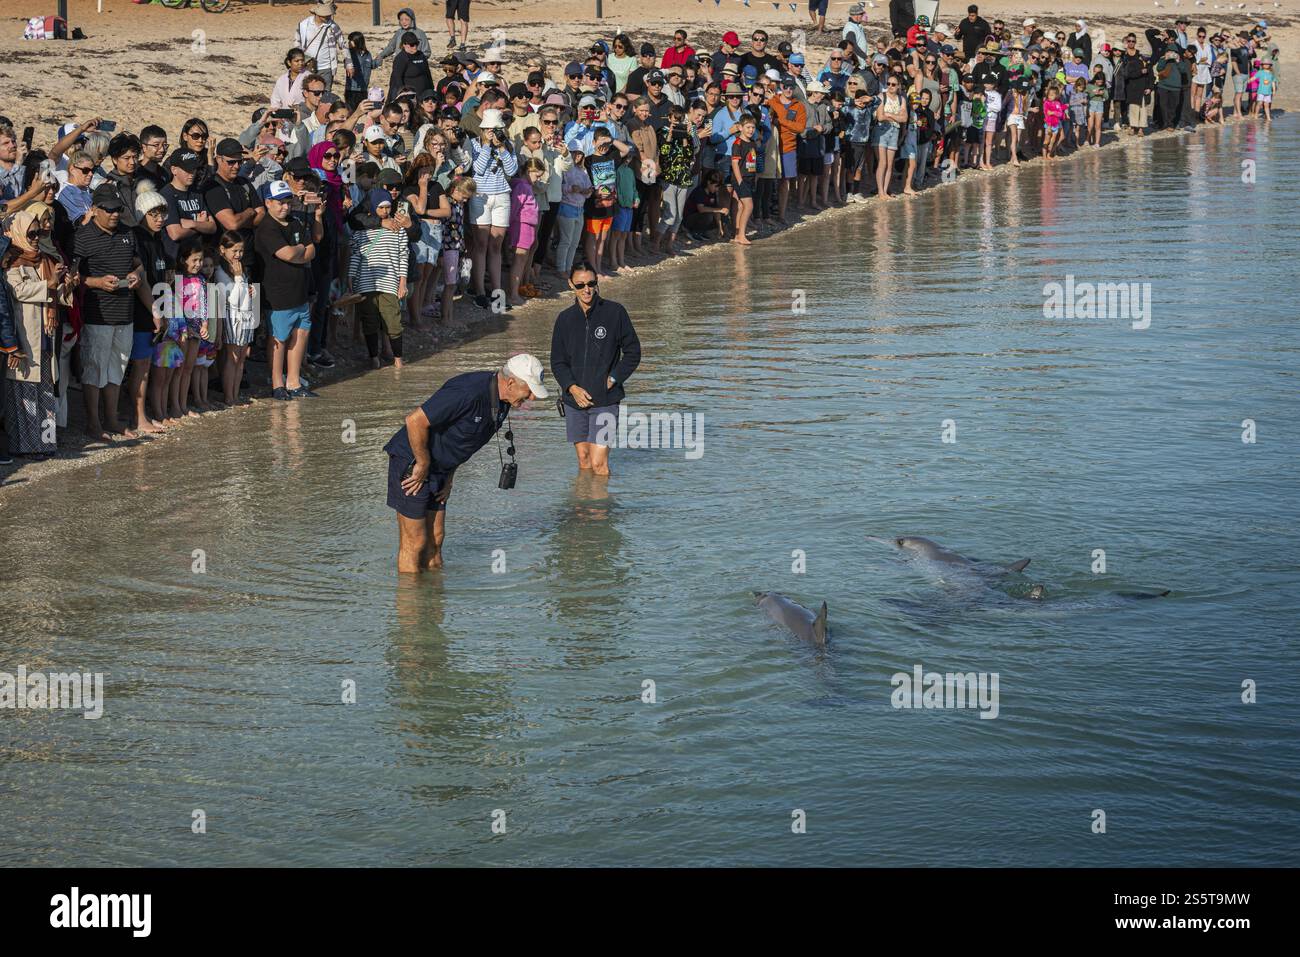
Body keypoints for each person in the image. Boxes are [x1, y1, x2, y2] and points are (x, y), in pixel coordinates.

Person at [384, 353, 548, 572]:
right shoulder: (468, 392)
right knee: (415, 542)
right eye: (529, 391)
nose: (532, 398)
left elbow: (464, 442)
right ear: (510, 382)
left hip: (442, 468)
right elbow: (415, 420)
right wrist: (422, 463)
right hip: (413, 462)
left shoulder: (504, 401)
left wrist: (449, 478)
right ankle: (410, 602)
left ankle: (435, 603)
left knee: (437, 537)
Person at [549, 264, 640, 477]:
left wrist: (614, 378)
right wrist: (572, 388)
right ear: (571, 285)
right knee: (584, 461)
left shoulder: (615, 312)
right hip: (574, 401)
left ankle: (600, 510)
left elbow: (633, 352)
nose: (586, 289)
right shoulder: (564, 319)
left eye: (591, 283)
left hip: (606, 400)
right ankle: (584, 508)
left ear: (597, 282)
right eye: (580, 285)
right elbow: (557, 362)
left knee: (599, 464)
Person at [73, 183, 143, 442]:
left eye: (118, 209)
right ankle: (93, 423)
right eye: (109, 209)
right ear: (95, 209)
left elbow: (138, 264)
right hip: (96, 314)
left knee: (117, 369)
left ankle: (112, 420)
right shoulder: (83, 235)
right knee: (94, 370)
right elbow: (72, 276)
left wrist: (136, 275)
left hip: (126, 312)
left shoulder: (127, 232)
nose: (115, 214)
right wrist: (96, 282)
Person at [3, 208, 73, 459]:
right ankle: (24, 445)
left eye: (38, 232)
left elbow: (58, 295)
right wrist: (50, 284)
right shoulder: (10, 261)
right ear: (20, 233)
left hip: (46, 334)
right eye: (31, 233)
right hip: (25, 336)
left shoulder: (44, 259)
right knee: (23, 394)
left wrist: (65, 284)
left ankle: (45, 443)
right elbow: (18, 290)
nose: (35, 237)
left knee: (44, 391)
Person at [254, 179, 320, 400]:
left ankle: (294, 381)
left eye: (288, 202)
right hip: (277, 294)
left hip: (300, 290)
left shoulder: (295, 222)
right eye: (279, 202)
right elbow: (289, 254)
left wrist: (298, 251)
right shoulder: (266, 228)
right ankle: (277, 383)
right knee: (279, 338)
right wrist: (300, 250)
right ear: (268, 202)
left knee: (301, 334)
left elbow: (312, 251)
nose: (285, 207)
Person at [296, 3, 348, 92]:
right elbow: (297, 45)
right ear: (317, 14)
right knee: (307, 93)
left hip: (326, 68)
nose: (328, 17)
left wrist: (349, 64)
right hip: (307, 66)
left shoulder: (333, 26)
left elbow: (343, 45)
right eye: (325, 15)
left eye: (329, 15)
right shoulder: (303, 25)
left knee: (325, 96)